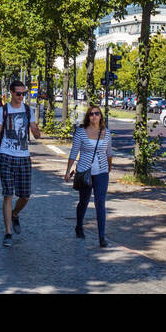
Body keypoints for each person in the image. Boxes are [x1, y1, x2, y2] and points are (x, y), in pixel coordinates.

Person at [0, 79, 41, 247]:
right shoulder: (3, 111)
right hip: (6, 156)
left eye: (23, 93)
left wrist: (36, 131)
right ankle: (8, 233)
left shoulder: (28, 110)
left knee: (25, 195)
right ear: (11, 92)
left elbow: (36, 133)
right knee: (8, 194)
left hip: (24, 157)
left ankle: (15, 214)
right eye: (18, 93)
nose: (21, 96)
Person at [65, 105, 113, 247]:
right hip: (85, 170)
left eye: (97, 113)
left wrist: (110, 166)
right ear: (88, 116)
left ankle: (101, 237)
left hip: (102, 171)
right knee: (84, 202)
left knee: (100, 203)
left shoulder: (107, 133)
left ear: (101, 116)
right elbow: (74, 152)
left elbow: (109, 153)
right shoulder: (81, 132)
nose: (94, 116)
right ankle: (79, 226)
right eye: (91, 114)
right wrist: (68, 171)